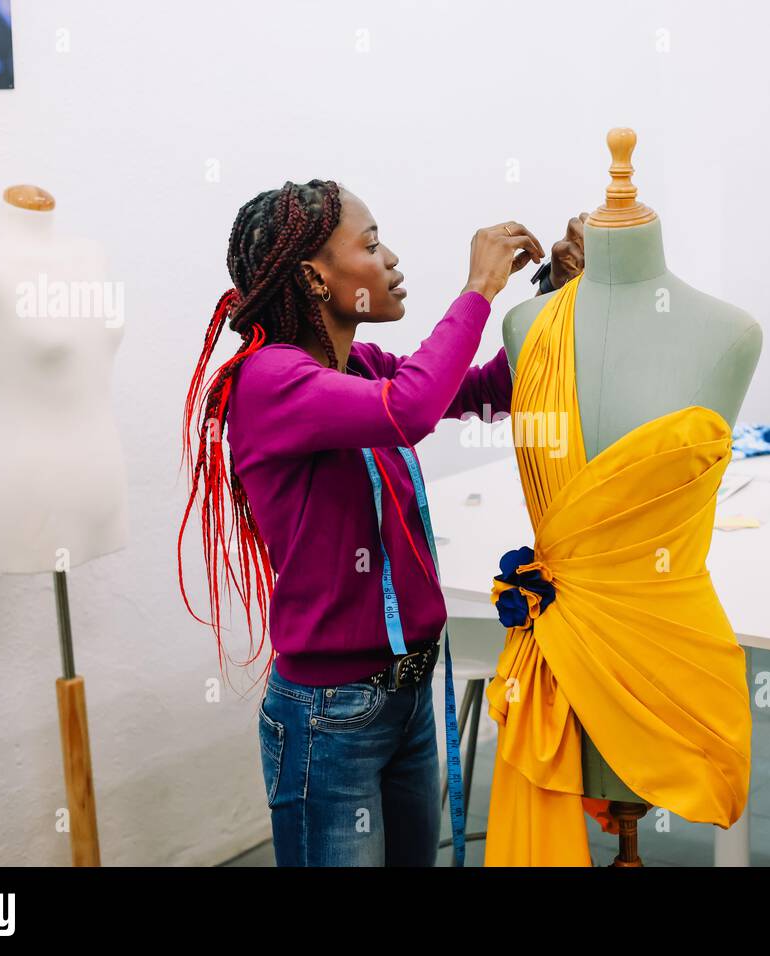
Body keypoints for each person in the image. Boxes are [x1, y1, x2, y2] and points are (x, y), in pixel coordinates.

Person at [178, 178, 583, 865]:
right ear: (313, 277)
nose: (392, 259)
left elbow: (488, 391)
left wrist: (555, 293)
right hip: (330, 717)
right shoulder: (269, 382)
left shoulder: (357, 366)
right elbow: (413, 408)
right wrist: (477, 290)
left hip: (405, 698)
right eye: (370, 245)